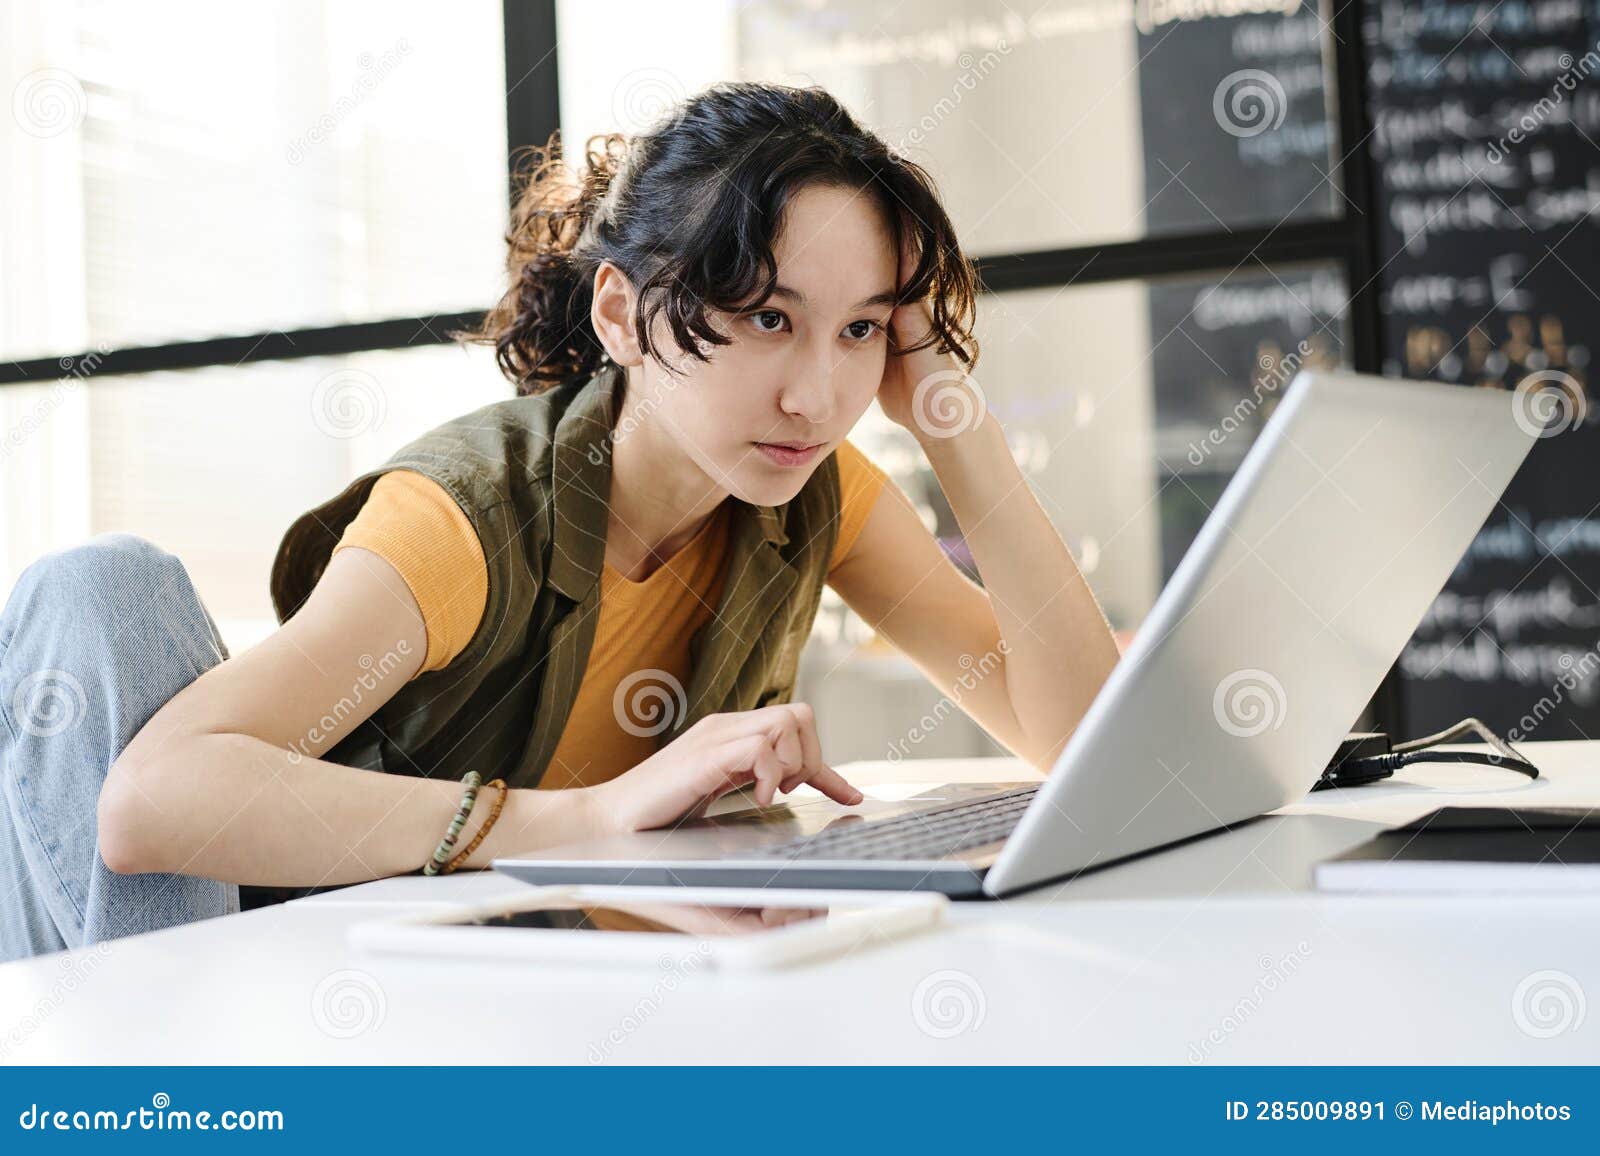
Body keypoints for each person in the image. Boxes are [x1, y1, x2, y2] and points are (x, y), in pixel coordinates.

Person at [0, 82, 1120, 961]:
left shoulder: (817, 492)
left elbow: (1084, 753)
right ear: (623, 313)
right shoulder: (469, 518)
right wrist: (584, 818)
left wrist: (947, 417)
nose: (817, 395)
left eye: (863, 331)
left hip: (547, 1003)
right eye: (768, 316)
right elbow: (150, 806)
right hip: (285, 959)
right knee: (102, 585)